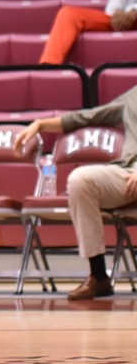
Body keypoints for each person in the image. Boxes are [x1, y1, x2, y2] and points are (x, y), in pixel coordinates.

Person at [17, 81, 137, 300]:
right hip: (129, 172)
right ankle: (98, 276)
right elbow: (88, 117)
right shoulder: (133, 97)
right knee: (81, 180)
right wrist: (41, 124)